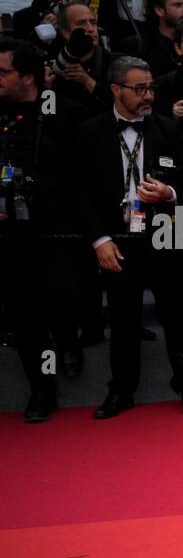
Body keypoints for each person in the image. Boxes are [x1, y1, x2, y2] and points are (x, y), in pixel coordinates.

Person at [79, 55, 183, 419]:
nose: (148, 95)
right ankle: (121, 390)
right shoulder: (91, 132)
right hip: (117, 241)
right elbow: (81, 192)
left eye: (151, 88)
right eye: (139, 89)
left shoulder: (169, 129)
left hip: (165, 238)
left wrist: (169, 193)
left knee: (178, 318)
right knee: (122, 321)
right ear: (115, 89)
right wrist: (99, 240)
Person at [0, 38, 88, 422]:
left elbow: (84, 174)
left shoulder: (63, 113)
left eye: (3, 72)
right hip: (10, 236)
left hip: (59, 234)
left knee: (63, 302)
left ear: (28, 76)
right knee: (24, 318)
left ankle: (69, 339)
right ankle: (42, 389)